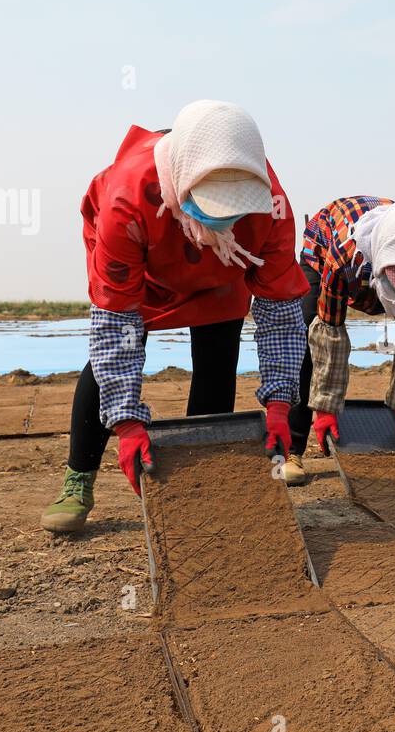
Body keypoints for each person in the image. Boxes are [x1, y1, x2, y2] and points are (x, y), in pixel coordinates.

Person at [41, 100, 308, 532]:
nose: (227, 216)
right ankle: (78, 478)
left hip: (225, 267)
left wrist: (279, 403)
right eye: (214, 204)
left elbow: (280, 311)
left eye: (234, 206)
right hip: (146, 267)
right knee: (117, 355)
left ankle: (200, 485)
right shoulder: (127, 198)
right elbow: (116, 326)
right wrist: (127, 425)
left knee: (218, 359)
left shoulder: (271, 207)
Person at [284, 196, 395, 485]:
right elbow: (329, 334)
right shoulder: (344, 255)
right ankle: (291, 450)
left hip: (378, 262)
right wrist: (325, 407)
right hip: (323, 254)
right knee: (306, 334)